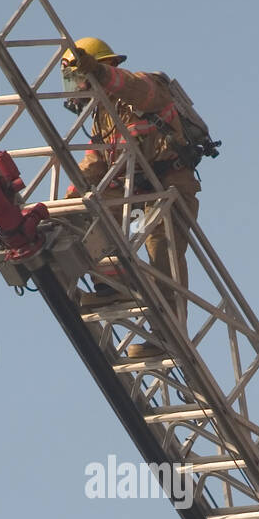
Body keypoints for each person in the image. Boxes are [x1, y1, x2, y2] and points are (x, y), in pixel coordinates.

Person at [61, 37, 200, 359]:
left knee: (161, 249)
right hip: (130, 190)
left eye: (77, 75)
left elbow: (134, 87)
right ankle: (110, 287)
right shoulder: (101, 116)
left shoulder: (145, 89)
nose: (75, 85)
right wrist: (61, 206)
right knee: (86, 214)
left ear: (103, 66)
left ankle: (169, 334)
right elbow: (95, 166)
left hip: (169, 187)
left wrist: (96, 70)